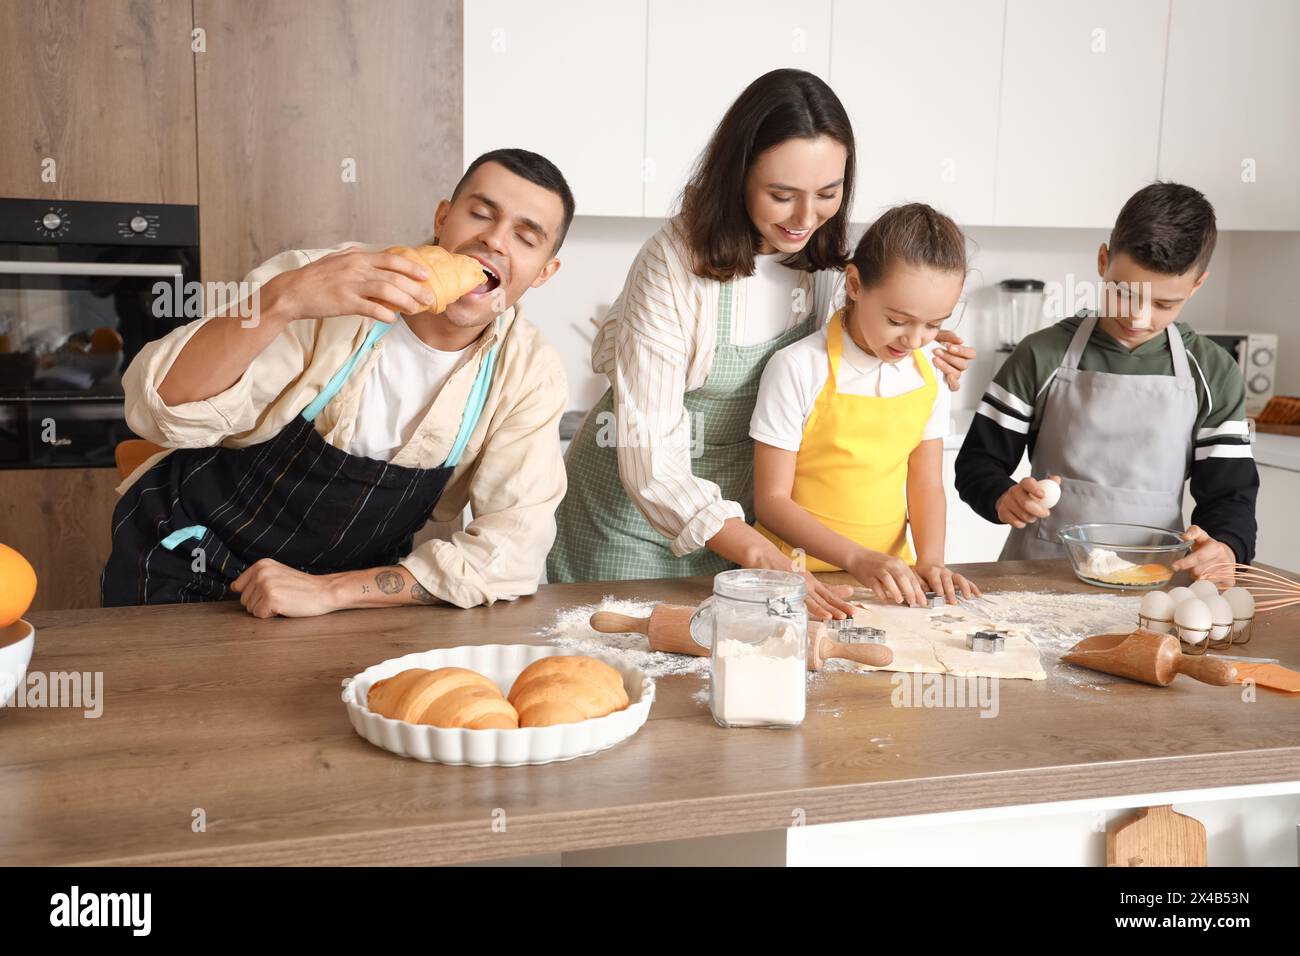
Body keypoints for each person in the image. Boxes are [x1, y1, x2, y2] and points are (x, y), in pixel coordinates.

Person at [547, 69, 974, 617]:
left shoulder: (823, 261)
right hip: (631, 519)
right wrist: (751, 546)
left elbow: (864, 334)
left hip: (751, 522)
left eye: (828, 194)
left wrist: (924, 343)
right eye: (781, 195)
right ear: (738, 176)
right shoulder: (672, 265)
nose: (804, 219)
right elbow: (649, 458)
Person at [103, 149, 573, 616]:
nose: (493, 240)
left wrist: (332, 592)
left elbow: (511, 553)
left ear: (544, 273)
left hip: (344, 605)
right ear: (443, 217)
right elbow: (155, 409)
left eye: (525, 237)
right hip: (183, 562)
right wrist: (282, 300)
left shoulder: (528, 372)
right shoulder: (321, 278)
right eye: (480, 214)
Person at [955, 182, 1257, 584]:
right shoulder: (1041, 355)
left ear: (1197, 284)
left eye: (1165, 304)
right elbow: (978, 463)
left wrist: (1225, 545)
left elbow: (1229, 494)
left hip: (1156, 585)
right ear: (1103, 261)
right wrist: (1002, 496)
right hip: (1039, 577)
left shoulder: (1212, 372)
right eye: (1125, 293)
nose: (1138, 318)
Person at [751, 204, 980, 607]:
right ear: (854, 284)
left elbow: (925, 483)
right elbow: (771, 502)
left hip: (887, 582)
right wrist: (856, 558)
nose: (913, 340)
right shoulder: (798, 367)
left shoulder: (929, 372)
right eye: (897, 319)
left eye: (933, 325)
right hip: (793, 579)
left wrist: (930, 562)